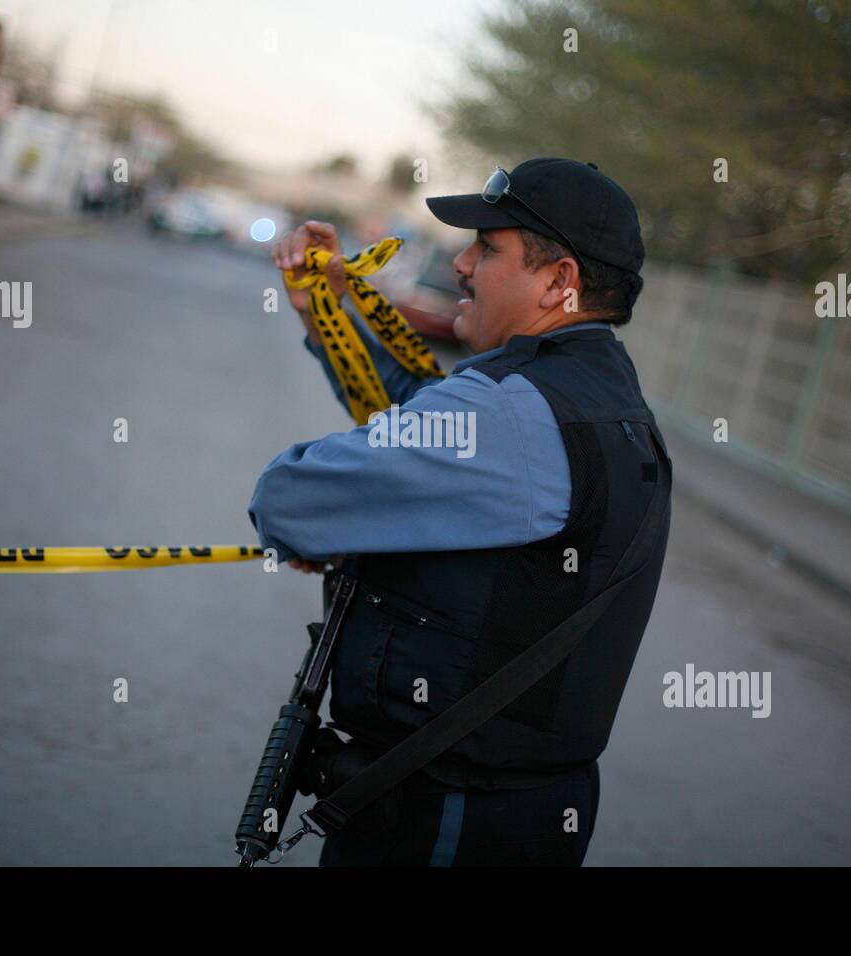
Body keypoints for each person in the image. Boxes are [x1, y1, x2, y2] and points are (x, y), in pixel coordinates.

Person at [249, 157, 672, 866]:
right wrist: (327, 308)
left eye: (488, 247)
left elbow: (290, 500)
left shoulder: (509, 410)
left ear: (558, 281)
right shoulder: (595, 391)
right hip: (516, 808)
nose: (464, 265)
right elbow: (424, 417)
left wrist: (355, 520)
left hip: (441, 821)